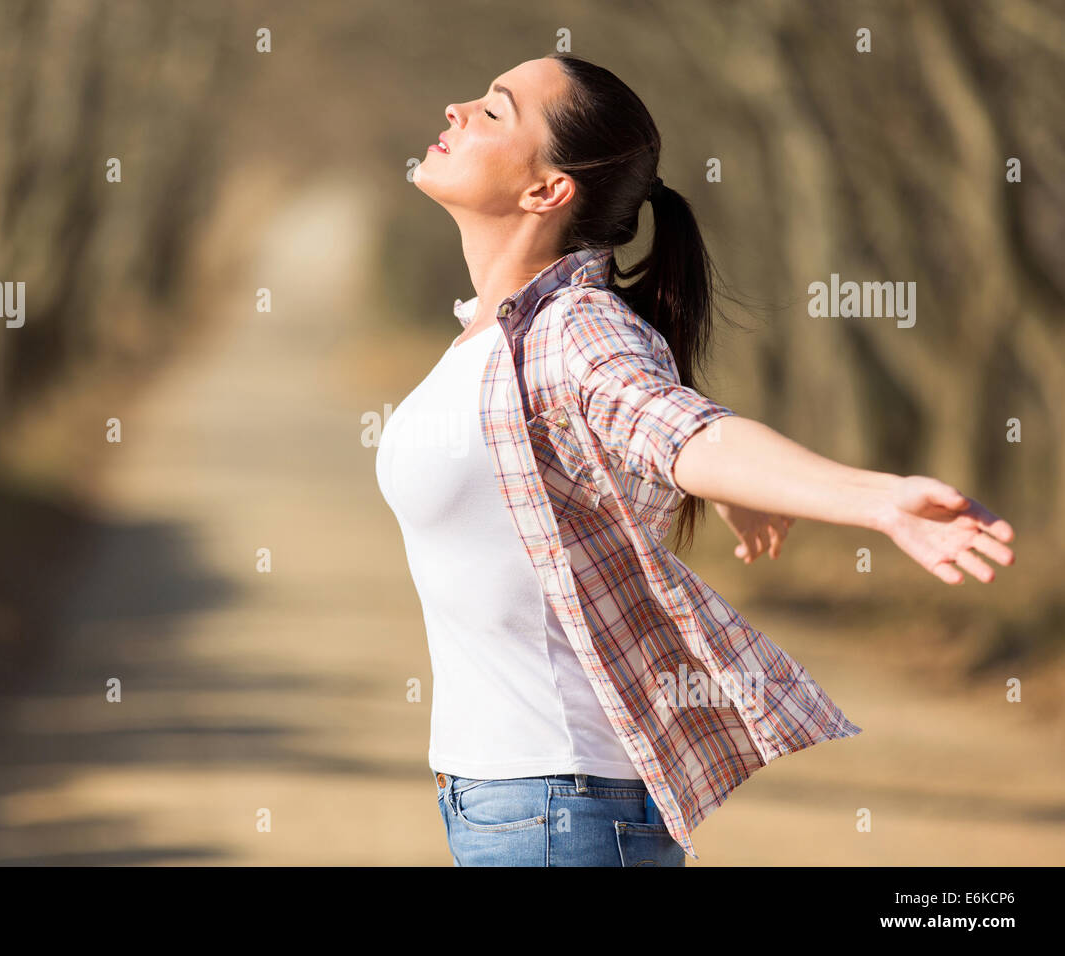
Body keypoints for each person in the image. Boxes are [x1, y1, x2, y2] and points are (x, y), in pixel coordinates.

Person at [375, 53, 1016, 867]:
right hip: (520, 803)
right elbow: (634, 432)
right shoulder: (501, 333)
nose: (458, 106)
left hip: (555, 811)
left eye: (496, 111)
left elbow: (684, 431)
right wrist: (711, 481)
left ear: (547, 190)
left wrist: (872, 500)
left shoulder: (573, 327)